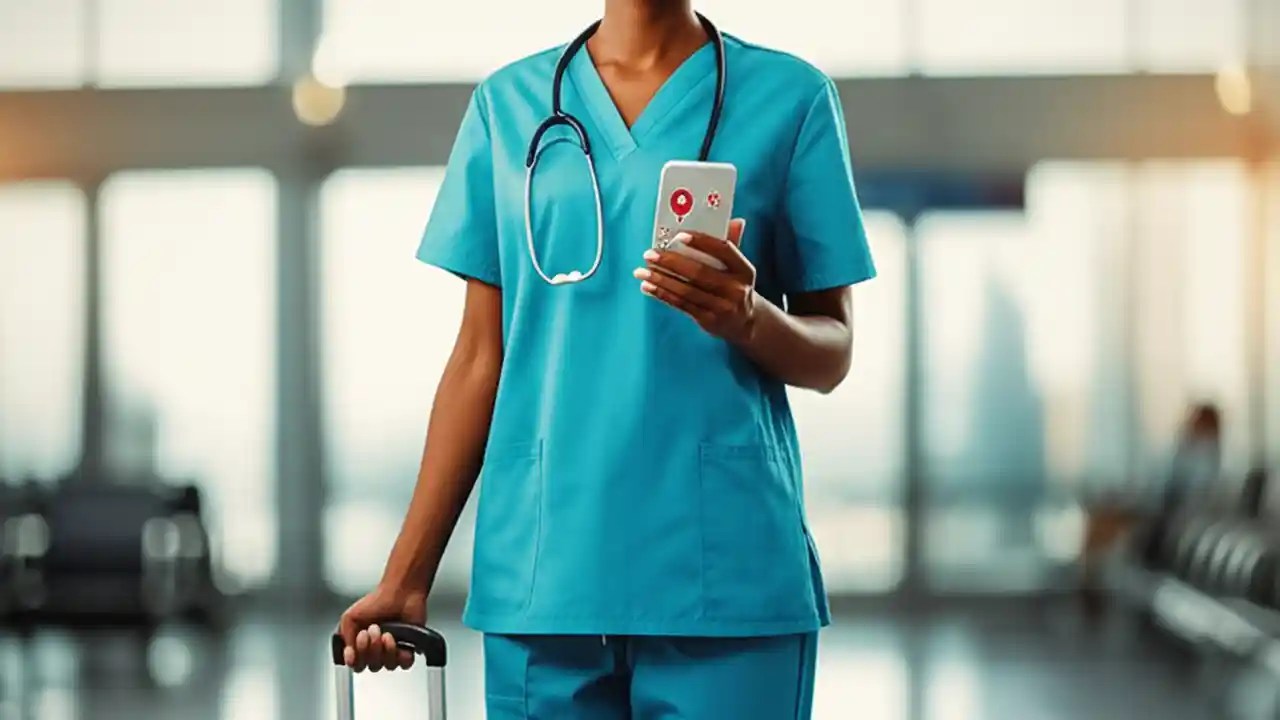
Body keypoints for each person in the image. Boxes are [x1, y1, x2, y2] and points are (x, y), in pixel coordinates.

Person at [336, 1, 876, 717]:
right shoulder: (508, 106)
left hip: (724, 574)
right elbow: (478, 358)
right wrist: (407, 575)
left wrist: (748, 317)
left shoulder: (791, 98)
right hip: (546, 576)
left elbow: (831, 351)